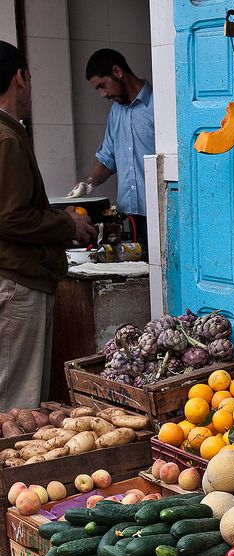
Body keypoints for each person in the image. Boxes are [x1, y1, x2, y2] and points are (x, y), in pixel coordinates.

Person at [0, 40, 96, 412]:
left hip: (15, 275)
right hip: (16, 281)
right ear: (20, 78)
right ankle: (14, 470)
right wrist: (66, 224)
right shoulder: (7, 138)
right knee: (18, 404)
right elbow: (10, 216)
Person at [67, 49, 155, 259]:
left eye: (102, 86)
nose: (103, 94)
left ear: (117, 72)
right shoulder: (117, 110)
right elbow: (108, 157)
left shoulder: (158, 105)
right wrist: (88, 184)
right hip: (129, 218)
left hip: (160, 213)